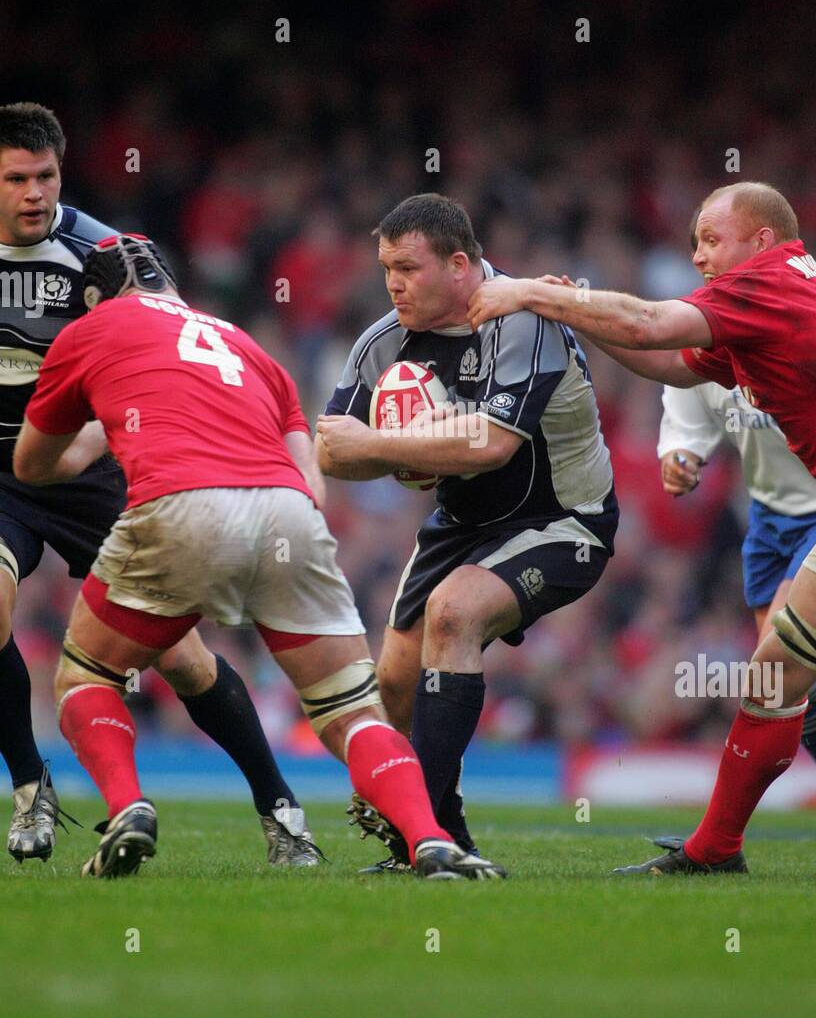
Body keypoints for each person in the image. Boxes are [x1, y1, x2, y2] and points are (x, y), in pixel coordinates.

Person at [13, 232, 498, 881]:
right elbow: (314, 482)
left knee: (86, 679)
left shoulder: (88, 332)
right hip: (287, 514)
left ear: (95, 298)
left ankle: (128, 807)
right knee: (350, 714)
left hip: (179, 505)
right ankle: (428, 837)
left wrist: (103, 431)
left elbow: (32, 464)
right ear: (171, 287)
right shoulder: (242, 344)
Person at [468, 180, 816, 873]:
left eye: (712, 240)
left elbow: (650, 325)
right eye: (692, 245)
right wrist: (578, 316)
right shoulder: (768, 302)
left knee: (778, 675)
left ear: (762, 241)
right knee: (776, 677)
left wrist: (533, 292)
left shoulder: (768, 284)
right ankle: (714, 851)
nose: (699, 257)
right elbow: (671, 363)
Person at [0, 103, 314, 868]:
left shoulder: (108, 254)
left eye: (45, 176)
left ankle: (281, 807)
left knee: (178, 657)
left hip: (91, 468)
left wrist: (87, 444)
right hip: (3, 474)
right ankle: (31, 787)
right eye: (15, 179)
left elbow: (173, 363)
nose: (34, 193)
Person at [316, 192, 618, 871]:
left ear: (459, 265)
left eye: (406, 267)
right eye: (384, 267)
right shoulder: (381, 342)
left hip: (563, 521)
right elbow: (332, 448)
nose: (392, 282)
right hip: (458, 528)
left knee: (452, 615)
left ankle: (430, 838)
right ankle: (438, 840)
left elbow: (490, 446)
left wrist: (391, 444)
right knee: (391, 688)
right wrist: (393, 447)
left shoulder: (522, 320)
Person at [658, 379, 816, 857]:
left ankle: (715, 845)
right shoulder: (710, 339)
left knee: (779, 672)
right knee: (790, 693)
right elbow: (684, 401)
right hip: (767, 521)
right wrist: (680, 453)